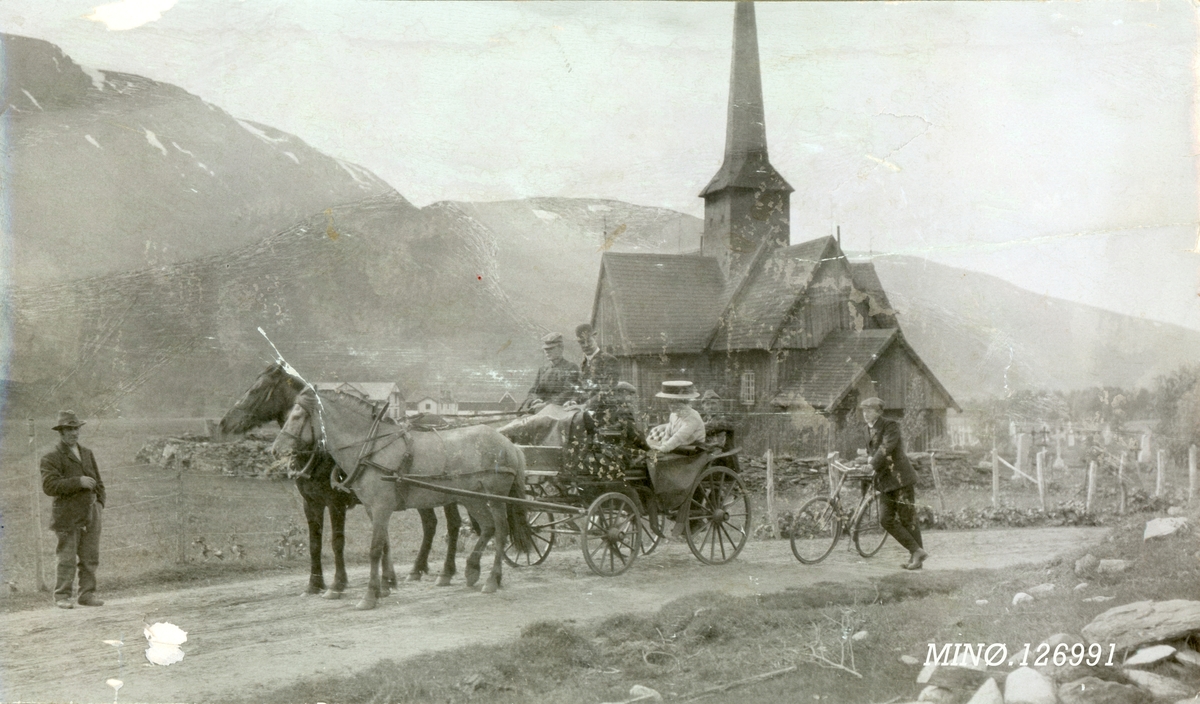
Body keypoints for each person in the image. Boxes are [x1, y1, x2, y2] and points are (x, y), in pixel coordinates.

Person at [41, 410, 106, 608]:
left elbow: (98, 481)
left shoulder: (87, 453)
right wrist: (78, 482)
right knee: (66, 557)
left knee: (90, 556)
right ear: (60, 432)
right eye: (69, 429)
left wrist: (100, 504)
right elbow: (49, 486)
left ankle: (87, 594)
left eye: (76, 428)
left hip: (91, 512)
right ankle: (62, 596)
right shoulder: (51, 457)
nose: (74, 433)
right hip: (67, 515)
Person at [860, 397, 927, 570]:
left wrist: (871, 464)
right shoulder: (866, 430)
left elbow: (885, 448)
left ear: (879, 411)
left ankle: (916, 557)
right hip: (884, 481)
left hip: (901, 479)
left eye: (869, 410)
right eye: (863, 410)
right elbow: (872, 452)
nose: (865, 413)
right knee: (885, 519)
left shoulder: (890, 426)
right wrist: (867, 463)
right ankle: (917, 552)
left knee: (907, 518)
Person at [520, 332, 580, 412]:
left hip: (559, 410)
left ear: (561, 348)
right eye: (545, 349)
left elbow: (566, 393)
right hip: (539, 408)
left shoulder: (571, 367)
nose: (547, 352)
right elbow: (533, 390)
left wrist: (545, 405)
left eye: (551, 348)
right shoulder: (543, 369)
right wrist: (534, 401)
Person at [646, 381, 706, 454]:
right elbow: (668, 433)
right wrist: (663, 444)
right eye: (669, 402)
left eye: (675, 402)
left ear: (684, 402)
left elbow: (679, 437)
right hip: (677, 447)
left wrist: (664, 449)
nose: (671, 405)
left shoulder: (693, 417)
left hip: (693, 450)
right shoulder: (673, 415)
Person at [575, 323, 619, 405]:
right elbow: (583, 390)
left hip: (606, 410)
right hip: (588, 410)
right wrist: (574, 401)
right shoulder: (583, 364)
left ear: (595, 338)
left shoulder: (609, 360)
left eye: (589, 341)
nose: (586, 345)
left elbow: (608, 391)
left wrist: (585, 406)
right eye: (582, 342)